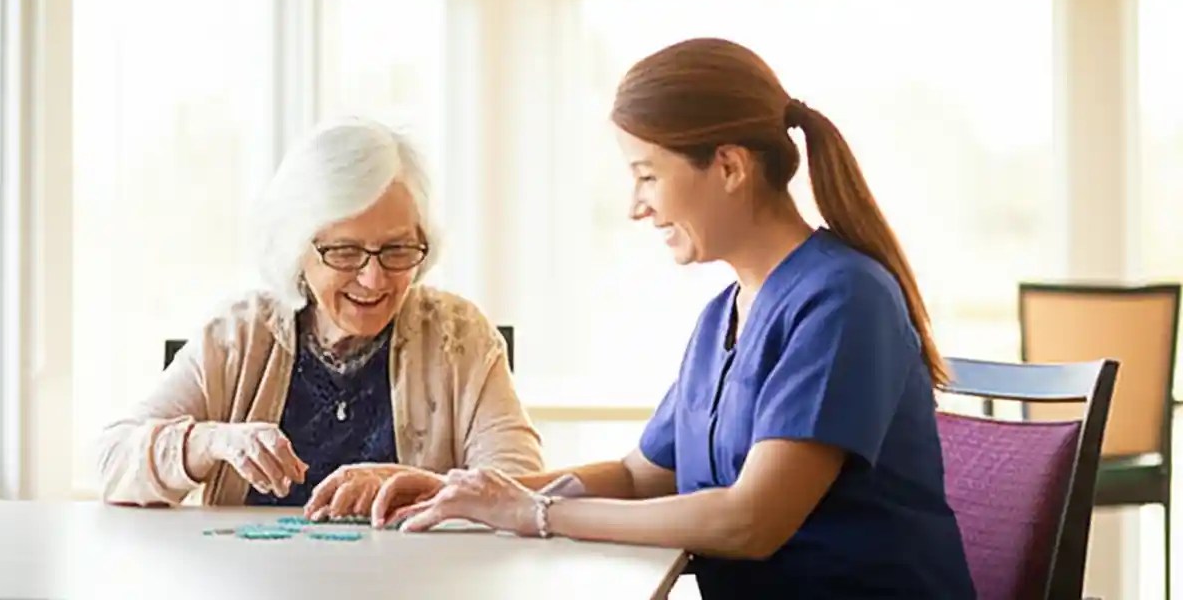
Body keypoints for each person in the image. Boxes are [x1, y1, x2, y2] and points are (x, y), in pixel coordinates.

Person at [366, 39, 975, 598]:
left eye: (647, 175)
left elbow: (750, 521)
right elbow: (638, 476)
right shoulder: (724, 316)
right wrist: (470, 493)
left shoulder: (844, 299)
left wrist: (534, 514)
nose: (636, 207)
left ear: (730, 167)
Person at [96, 118, 542, 516]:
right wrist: (212, 440)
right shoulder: (240, 336)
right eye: (345, 252)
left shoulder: (459, 338)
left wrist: (419, 489)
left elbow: (523, 488)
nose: (373, 279)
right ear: (297, 249)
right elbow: (113, 463)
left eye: (396, 249)